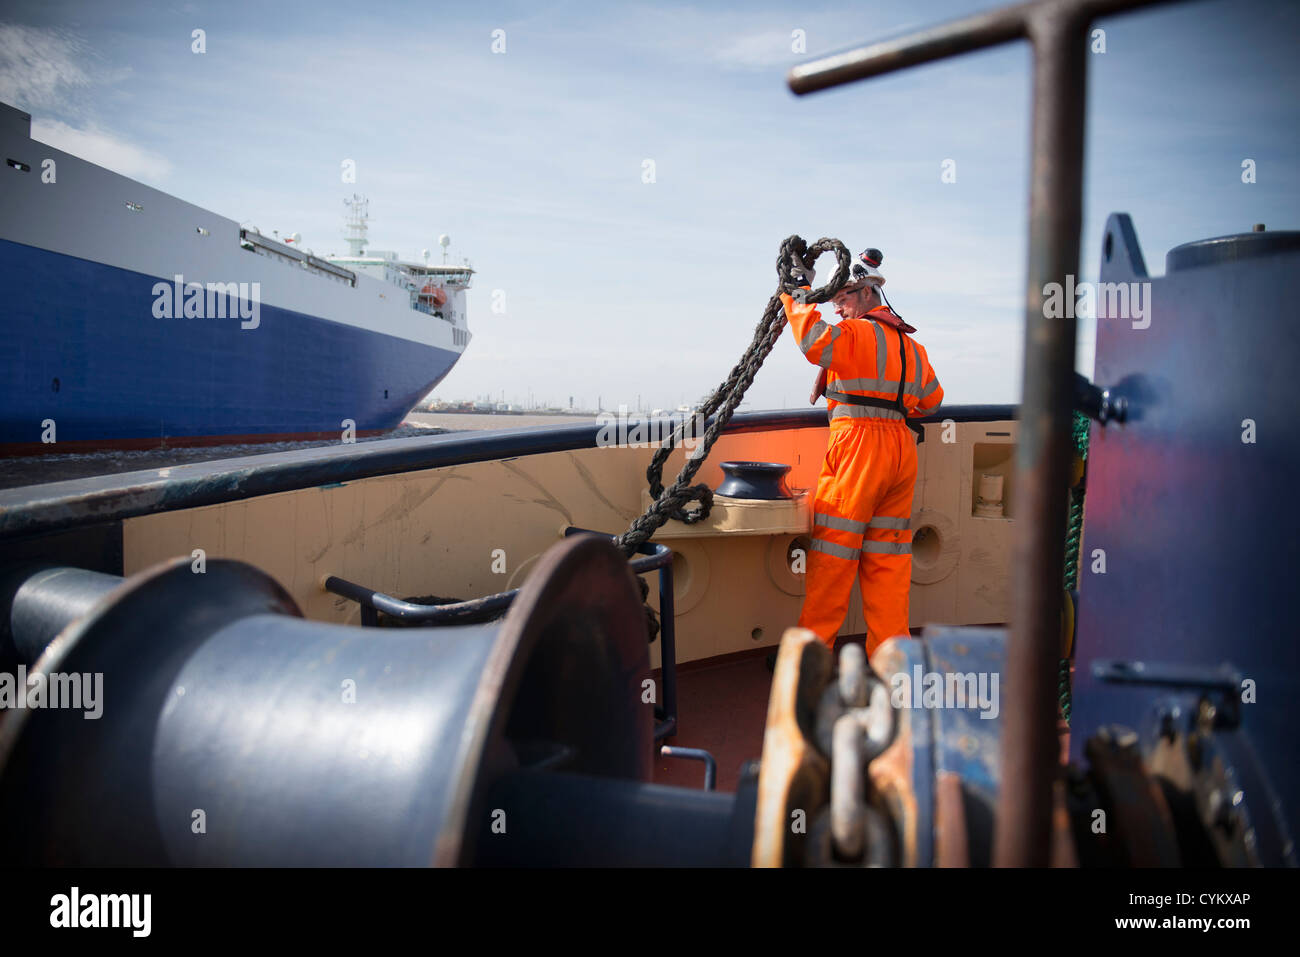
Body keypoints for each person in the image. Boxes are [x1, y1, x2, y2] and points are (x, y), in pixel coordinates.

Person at [780, 248, 943, 656]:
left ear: (870, 292)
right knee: (888, 564)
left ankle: (811, 660)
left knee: (833, 558)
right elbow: (933, 401)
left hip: (857, 452)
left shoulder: (856, 335)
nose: (838, 305)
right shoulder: (913, 350)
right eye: (834, 299)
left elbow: (813, 341)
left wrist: (796, 291)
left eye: (844, 296)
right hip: (901, 453)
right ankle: (892, 664)